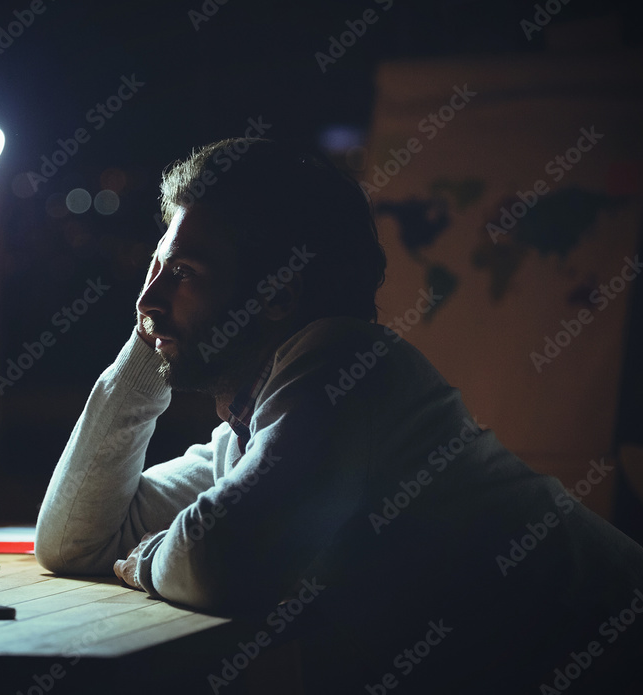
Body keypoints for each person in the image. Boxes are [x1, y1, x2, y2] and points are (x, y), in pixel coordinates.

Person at [34, 139, 643, 692]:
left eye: (184, 274)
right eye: (155, 269)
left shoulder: (351, 369)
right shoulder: (250, 430)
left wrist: (147, 559)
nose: (145, 299)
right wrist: (155, 335)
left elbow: (222, 561)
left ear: (278, 294)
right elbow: (74, 542)